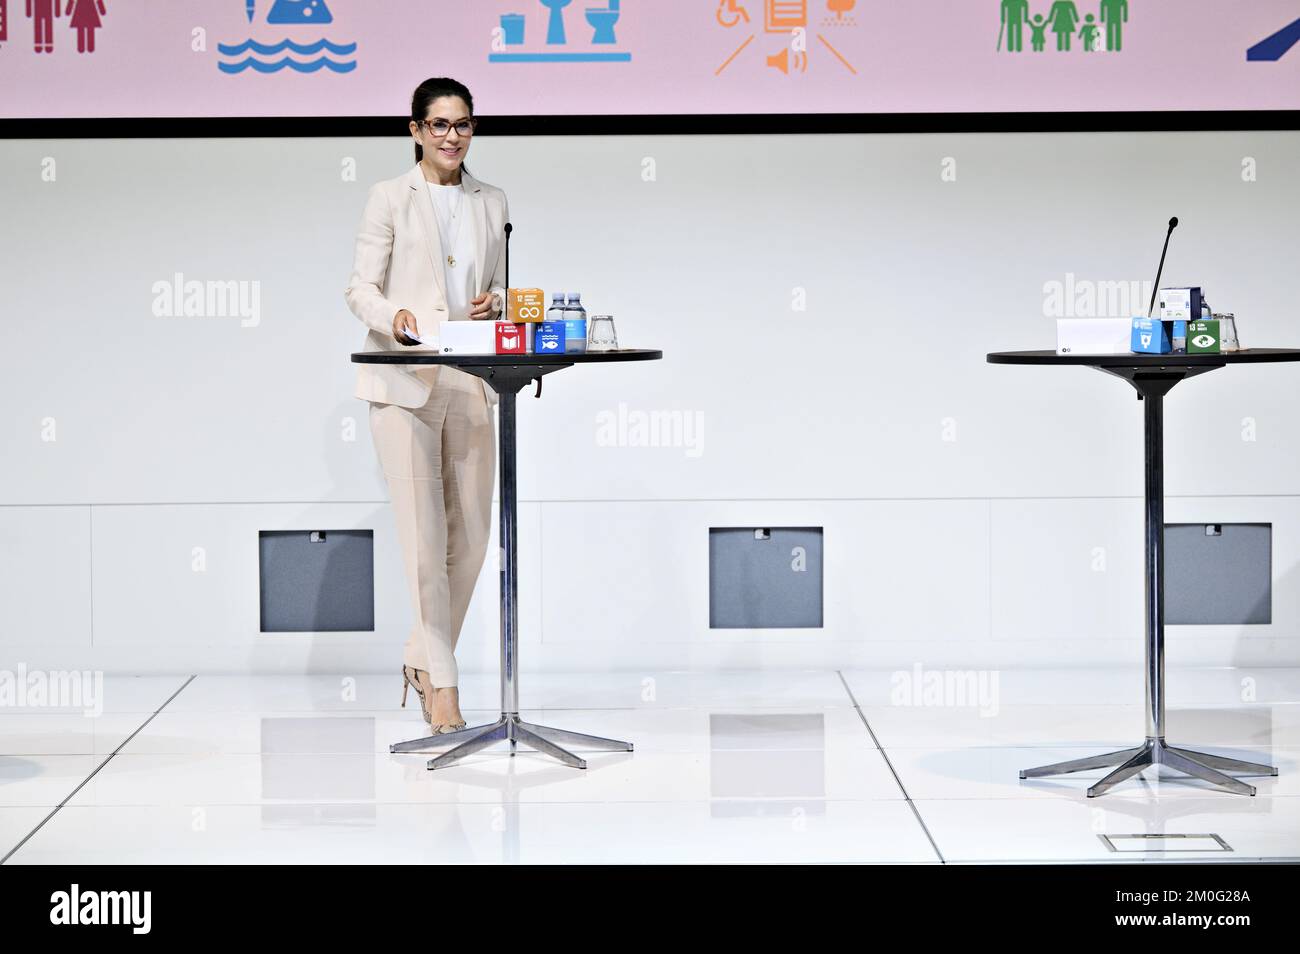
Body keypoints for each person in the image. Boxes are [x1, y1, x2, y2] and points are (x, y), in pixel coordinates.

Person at [344, 77, 509, 732]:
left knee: (469, 537)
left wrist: (494, 301)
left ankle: (418, 657)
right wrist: (395, 316)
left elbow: (494, 285)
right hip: (405, 382)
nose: (451, 136)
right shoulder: (389, 197)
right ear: (415, 130)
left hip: (471, 379)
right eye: (438, 124)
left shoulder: (492, 200)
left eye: (462, 124)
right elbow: (358, 289)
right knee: (423, 539)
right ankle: (443, 685)